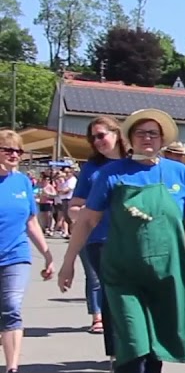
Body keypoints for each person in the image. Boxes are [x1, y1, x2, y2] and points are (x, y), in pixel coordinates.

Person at [57, 109, 185, 373]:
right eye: (141, 133)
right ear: (130, 138)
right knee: (133, 347)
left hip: (166, 274)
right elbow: (88, 220)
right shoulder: (112, 173)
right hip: (123, 275)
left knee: (157, 350)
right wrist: (67, 264)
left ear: (163, 139)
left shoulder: (178, 173)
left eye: (154, 133)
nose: (147, 138)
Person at [0, 129, 55, 373]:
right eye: (8, 150)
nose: (14, 155)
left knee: (11, 307)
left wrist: (46, 253)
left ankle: (12, 372)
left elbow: (31, 221)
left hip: (15, 255)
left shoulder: (22, 182)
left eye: (18, 151)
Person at [70, 116, 128, 348]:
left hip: (133, 240)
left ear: (117, 134)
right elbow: (73, 208)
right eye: (93, 138)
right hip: (99, 240)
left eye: (101, 135)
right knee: (111, 294)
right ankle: (116, 353)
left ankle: (135, 349)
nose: (97, 141)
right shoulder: (91, 169)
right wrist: (90, 211)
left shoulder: (136, 162)